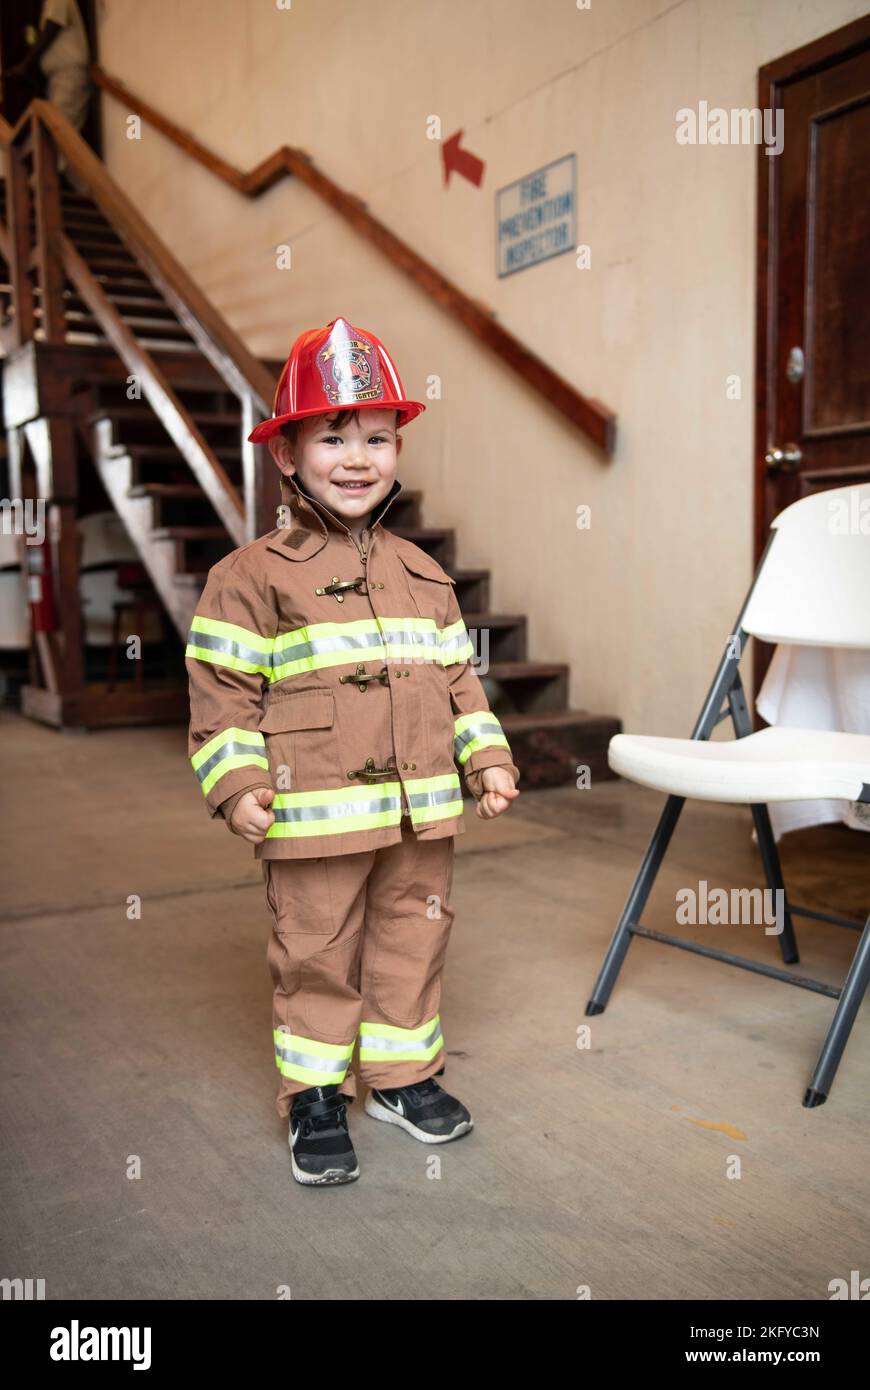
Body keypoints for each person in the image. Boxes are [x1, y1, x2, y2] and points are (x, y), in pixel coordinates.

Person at [186, 316, 520, 1186]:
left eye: (376, 437)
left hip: (420, 810)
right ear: (288, 455)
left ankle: (403, 1078)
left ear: (397, 450)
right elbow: (222, 693)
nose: (357, 456)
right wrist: (238, 783)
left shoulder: (424, 574)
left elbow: (459, 683)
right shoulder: (249, 576)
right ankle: (316, 1094)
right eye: (332, 436)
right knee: (316, 948)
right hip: (312, 808)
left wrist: (485, 756)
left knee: (415, 934)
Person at [3, 0, 92, 191]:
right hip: (56, 78)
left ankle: (38, 186)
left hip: (68, 74)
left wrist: (27, 64)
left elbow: (53, 25)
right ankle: (85, 189)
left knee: (56, 131)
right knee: (64, 134)